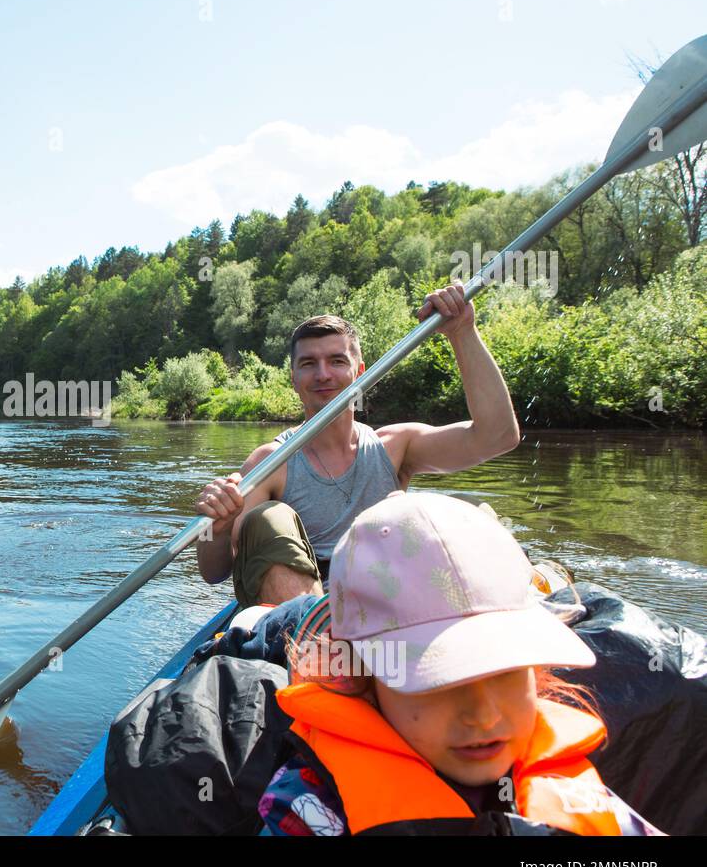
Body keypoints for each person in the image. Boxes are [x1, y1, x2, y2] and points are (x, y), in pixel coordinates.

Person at [258, 490, 663, 836]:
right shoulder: (309, 809)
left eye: (506, 672)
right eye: (439, 682)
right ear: (363, 677)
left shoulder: (580, 796)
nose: (484, 717)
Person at [195, 282, 520, 608]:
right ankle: (317, 644)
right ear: (293, 377)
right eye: (308, 364)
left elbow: (498, 437)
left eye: (336, 361)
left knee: (469, 510)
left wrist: (462, 331)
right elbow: (214, 572)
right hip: (307, 613)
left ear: (360, 372)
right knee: (268, 517)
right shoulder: (270, 462)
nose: (323, 375)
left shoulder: (396, 446)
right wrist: (216, 530)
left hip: (383, 596)